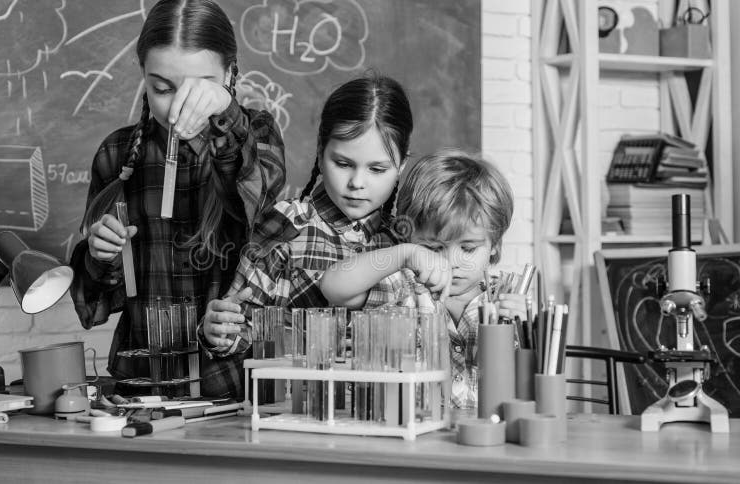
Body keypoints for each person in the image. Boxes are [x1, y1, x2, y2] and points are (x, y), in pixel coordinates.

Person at [69, 0, 286, 399]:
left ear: (230, 75)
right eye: (162, 89)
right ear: (144, 77)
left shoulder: (257, 136)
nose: (178, 109)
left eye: (200, 89)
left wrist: (225, 111)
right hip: (141, 386)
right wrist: (101, 256)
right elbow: (95, 307)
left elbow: (260, 206)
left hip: (231, 386)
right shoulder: (117, 155)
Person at [200, 74, 414, 354]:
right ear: (320, 151)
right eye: (343, 163)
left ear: (401, 165)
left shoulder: (405, 241)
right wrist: (219, 330)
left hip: (384, 397)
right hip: (298, 396)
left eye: (377, 169)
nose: (357, 182)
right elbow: (244, 327)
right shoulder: (288, 224)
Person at [320, 149, 524, 410]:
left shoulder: (508, 295)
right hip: (410, 433)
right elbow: (333, 287)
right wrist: (405, 255)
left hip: (486, 436)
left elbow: (527, 381)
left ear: (494, 244)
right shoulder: (403, 286)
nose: (451, 262)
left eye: (468, 249)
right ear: (410, 238)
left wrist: (523, 326)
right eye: (433, 248)